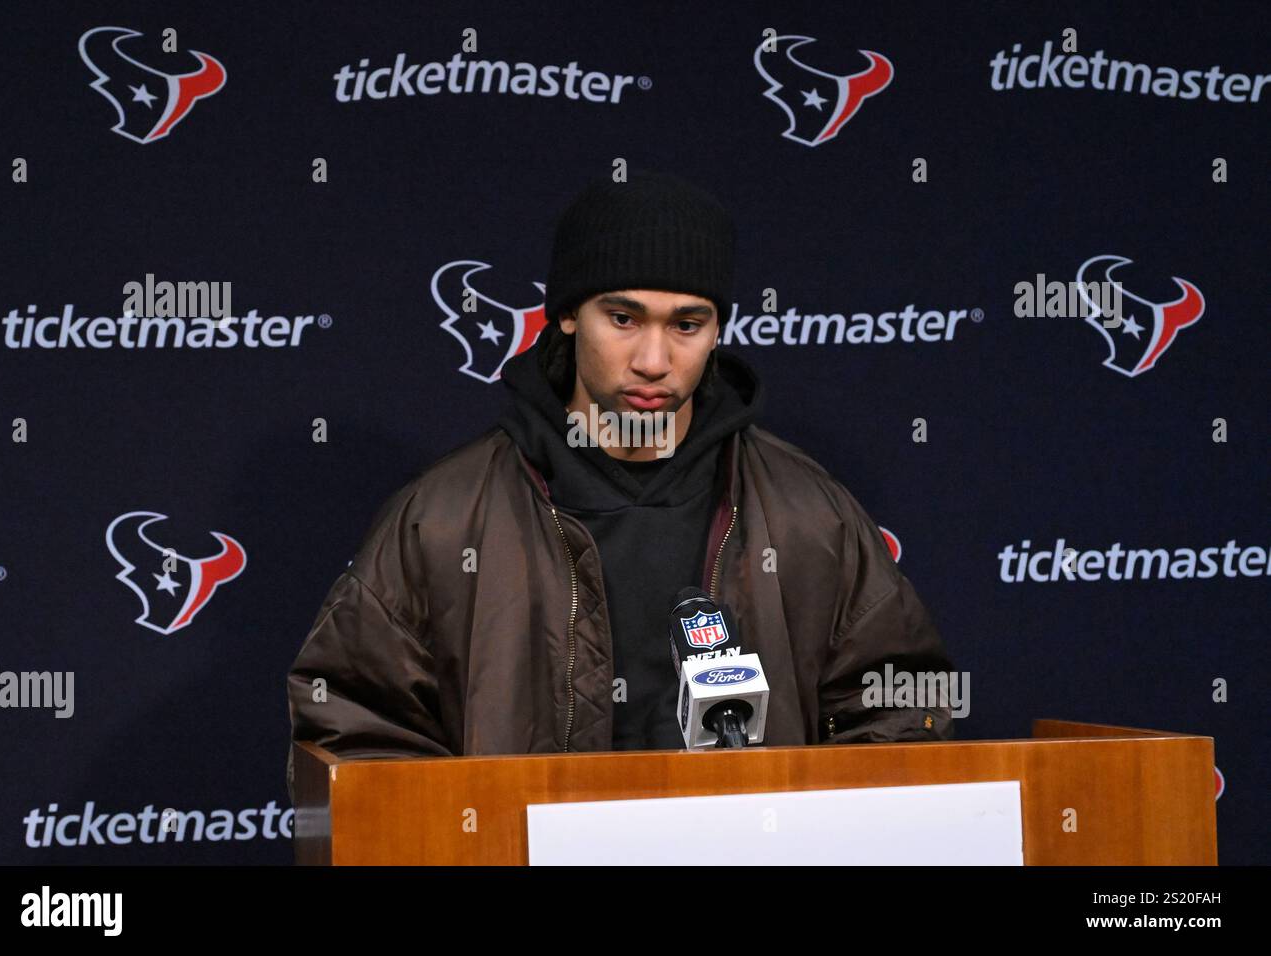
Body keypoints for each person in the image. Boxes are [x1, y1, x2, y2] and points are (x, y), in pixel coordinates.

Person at [287, 170, 955, 798]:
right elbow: (356, 730)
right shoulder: (441, 518)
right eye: (624, 319)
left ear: (717, 329)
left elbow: (902, 707)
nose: (654, 360)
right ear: (569, 315)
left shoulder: (811, 514)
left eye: (687, 325)